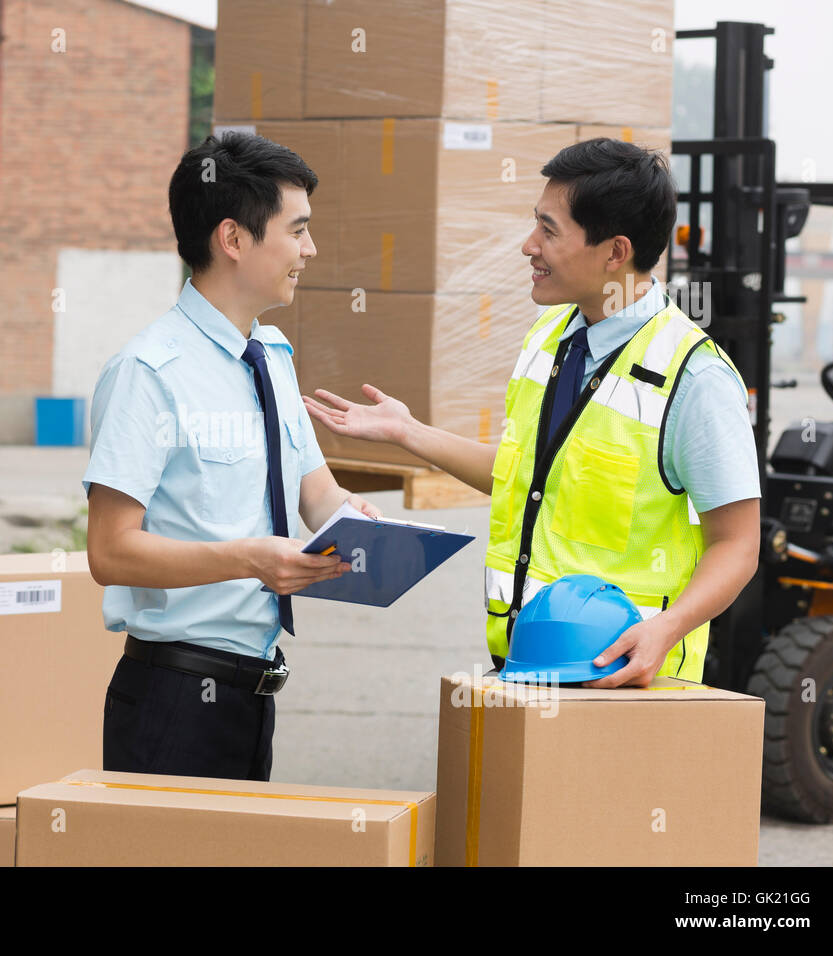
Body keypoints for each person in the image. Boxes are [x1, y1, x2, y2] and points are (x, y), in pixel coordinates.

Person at [304, 138, 761, 688]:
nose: (529, 246)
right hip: (525, 664)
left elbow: (737, 543)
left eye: (549, 230)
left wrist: (668, 629)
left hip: (629, 681)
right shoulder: (550, 339)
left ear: (615, 252)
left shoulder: (694, 378)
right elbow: (526, 476)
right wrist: (409, 432)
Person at [83, 132, 382, 780]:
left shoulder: (269, 358)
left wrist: (358, 523)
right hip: (173, 699)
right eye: (297, 230)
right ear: (234, 239)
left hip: (252, 696)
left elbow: (316, 492)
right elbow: (109, 552)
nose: (311, 249)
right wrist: (249, 558)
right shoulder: (148, 373)